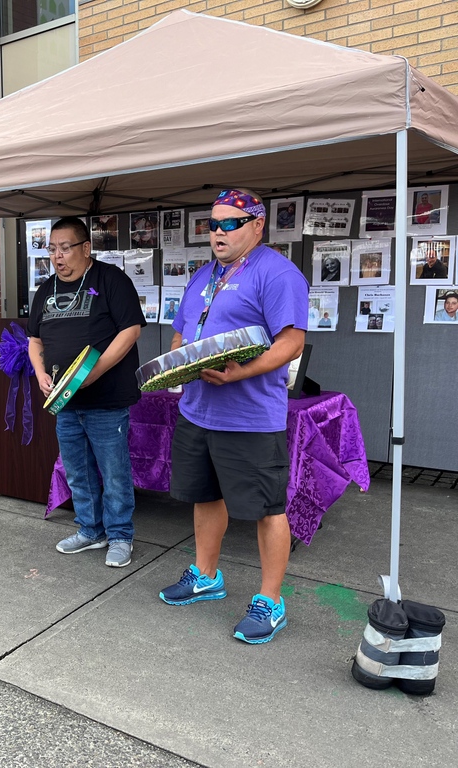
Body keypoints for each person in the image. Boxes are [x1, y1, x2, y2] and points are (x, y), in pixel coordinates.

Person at [158, 188, 309, 645]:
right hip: (198, 410)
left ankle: (271, 600)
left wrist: (242, 371)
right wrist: (177, 362)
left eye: (230, 224)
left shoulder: (278, 273)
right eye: (213, 224)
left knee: (267, 509)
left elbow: (290, 343)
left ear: (258, 225)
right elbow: (182, 332)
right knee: (205, 495)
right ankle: (206, 575)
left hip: (249, 416)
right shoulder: (202, 274)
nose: (218, 233)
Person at [28, 216, 146, 569]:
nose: (58, 256)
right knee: (77, 470)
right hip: (64, 402)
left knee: (113, 472)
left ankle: (120, 535)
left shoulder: (111, 280)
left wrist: (93, 374)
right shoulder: (45, 290)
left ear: (85, 248)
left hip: (107, 400)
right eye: (52, 249)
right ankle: (90, 530)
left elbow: (130, 332)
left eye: (65, 248)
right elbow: (34, 340)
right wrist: (38, 374)